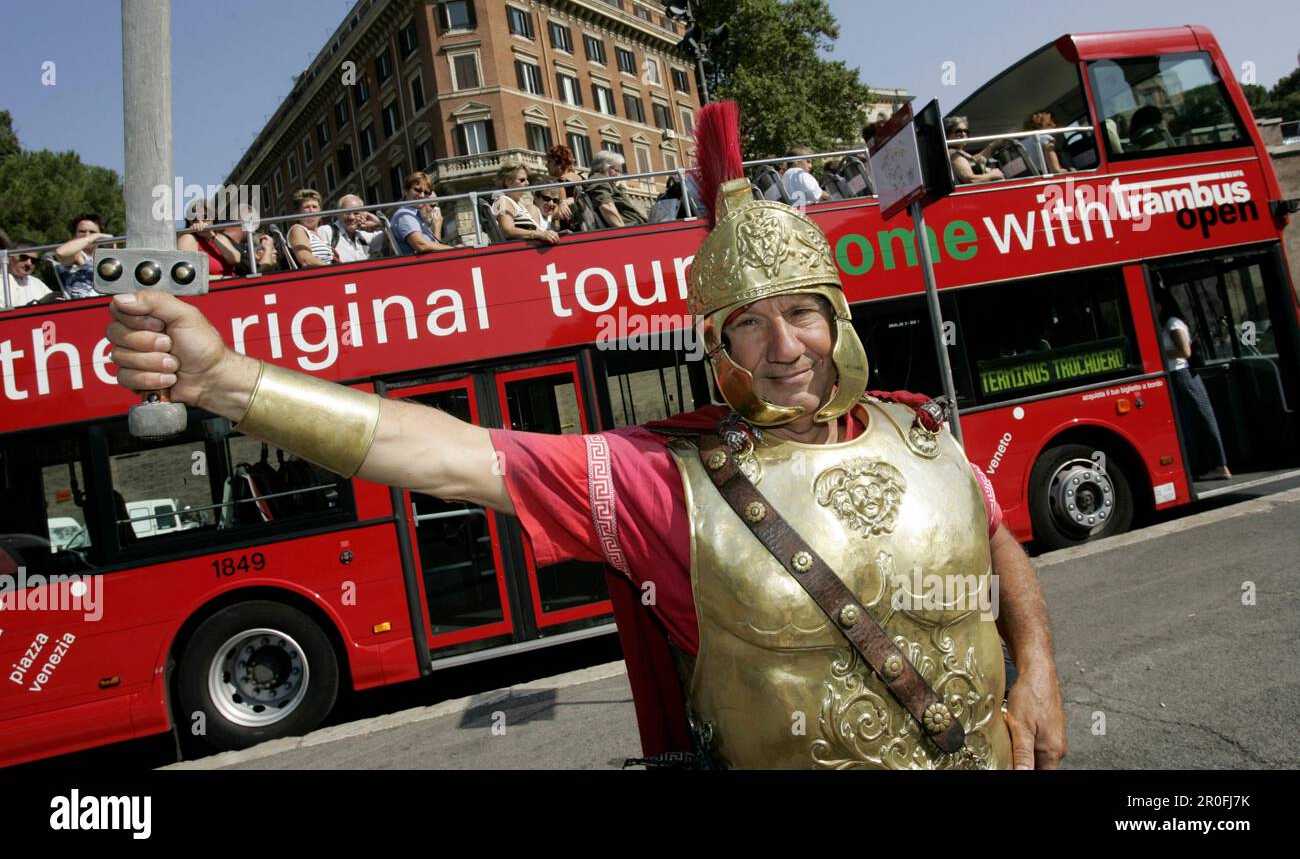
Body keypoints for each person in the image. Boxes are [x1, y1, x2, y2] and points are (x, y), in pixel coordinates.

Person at [105, 101, 1066, 770]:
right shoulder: (660, 483)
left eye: (802, 314)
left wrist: (1041, 678)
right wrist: (227, 381)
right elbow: (435, 450)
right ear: (716, 346)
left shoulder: (921, 432)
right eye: (749, 323)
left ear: (838, 316)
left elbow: (998, 547)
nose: (784, 347)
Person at [1156, 289, 1231, 480]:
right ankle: (1204, 465)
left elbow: (1184, 351)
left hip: (1183, 375)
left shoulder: (1173, 323)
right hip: (1176, 376)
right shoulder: (1165, 324)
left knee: (1202, 418)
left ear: (1161, 304)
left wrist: (1158, 353)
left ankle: (1219, 465)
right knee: (1189, 422)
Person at [492, 163, 559, 244]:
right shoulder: (503, 200)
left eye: (527, 179)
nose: (527, 183)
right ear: (508, 182)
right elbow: (507, 231)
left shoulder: (517, 204)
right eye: (522, 180)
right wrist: (539, 234)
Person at [391, 171, 455, 255]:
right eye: (417, 190)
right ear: (406, 190)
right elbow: (421, 245)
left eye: (426, 193)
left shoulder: (416, 215)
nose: (422, 195)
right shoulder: (405, 215)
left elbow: (435, 249)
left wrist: (437, 228)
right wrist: (454, 249)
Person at [54, 212, 115, 298]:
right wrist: (94, 237)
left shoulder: (104, 256)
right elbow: (61, 252)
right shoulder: (77, 255)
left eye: (92, 232)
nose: (87, 235)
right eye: (82, 231)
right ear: (75, 235)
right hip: (83, 305)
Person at [177, 199, 242, 279]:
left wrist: (211, 236)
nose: (200, 223)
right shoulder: (188, 239)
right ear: (189, 222)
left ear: (213, 218)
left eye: (205, 217)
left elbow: (235, 259)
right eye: (194, 219)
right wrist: (221, 278)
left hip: (231, 284)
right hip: (213, 287)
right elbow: (188, 275)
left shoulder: (219, 237)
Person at [587, 151, 647, 227]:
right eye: (617, 171)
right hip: (633, 230)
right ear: (605, 167)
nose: (619, 175)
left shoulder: (604, 182)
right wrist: (624, 231)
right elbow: (607, 207)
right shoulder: (599, 180)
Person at [943, 116, 1004, 184]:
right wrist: (993, 175)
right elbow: (970, 180)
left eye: (966, 131)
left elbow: (974, 158)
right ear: (947, 136)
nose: (963, 134)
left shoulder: (959, 153)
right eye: (958, 131)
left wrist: (994, 145)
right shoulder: (955, 155)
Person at [285, 189, 334, 268]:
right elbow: (306, 259)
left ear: (320, 213)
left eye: (314, 207)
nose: (311, 211)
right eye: (306, 207)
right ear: (298, 213)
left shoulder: (320, 235)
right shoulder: (298, 230)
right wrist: (334, 269)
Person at [545, 144, 585, 230]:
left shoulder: (558, 183)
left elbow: (554, 212)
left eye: (549, 162)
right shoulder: (583, 179)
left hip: (569, 229)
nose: (546, 165)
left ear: (559, 164)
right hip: (586, 225)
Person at [332, 195, 382, 262]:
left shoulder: (364, 237)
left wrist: (378, 223)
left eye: (356, 213)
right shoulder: (327, 231)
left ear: (363, 214)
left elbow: (390, 237)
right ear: (338, 214)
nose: (351, 217)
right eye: (347, 213)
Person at [4, 239, 53, 306]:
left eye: (34, 260)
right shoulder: (2, 281)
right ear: (10, 257)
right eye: (23, 257)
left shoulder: (37, 283)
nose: (29, 263)